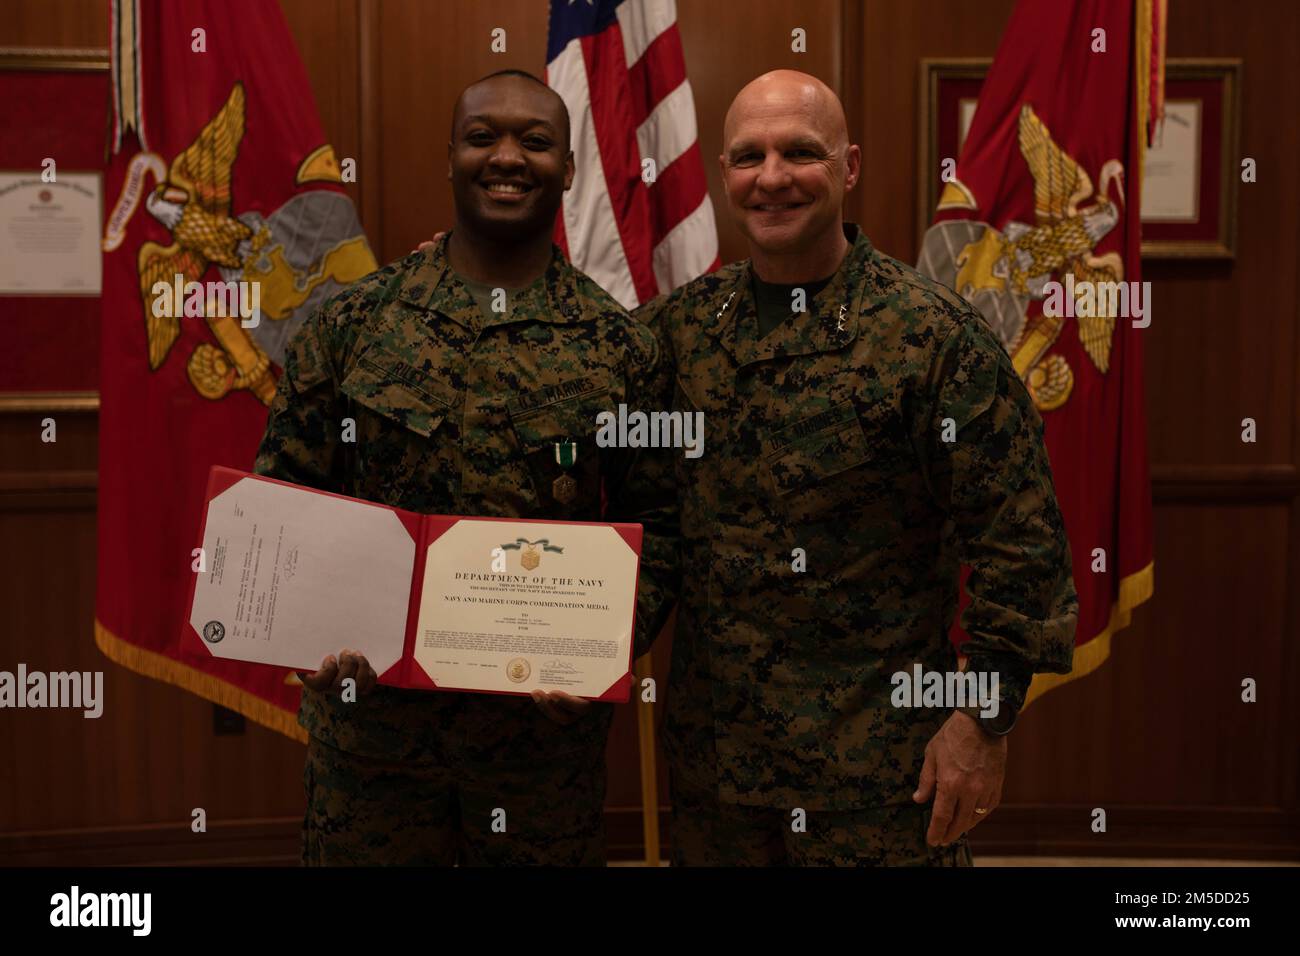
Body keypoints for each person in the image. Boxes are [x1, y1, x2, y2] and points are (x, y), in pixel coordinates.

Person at [636, 70, 1078, 866]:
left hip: (881, 779)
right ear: (724, 174)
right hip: (717, 779)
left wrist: (983, 723)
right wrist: (471, 277)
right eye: (747, 157)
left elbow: (1023, 550)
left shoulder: (932, 337)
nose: (771, 177)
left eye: (800, 152)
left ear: (850, 167)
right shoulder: (679, 333)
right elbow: (563, 384)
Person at [254, 69, 678, 865]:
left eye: (536, 140)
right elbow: (286, 497)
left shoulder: (624, 350)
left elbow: (661, 526)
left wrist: (605, 649)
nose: (508, 157)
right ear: (450, 157)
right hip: (371, 753)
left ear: (570, 168)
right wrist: (306, 631)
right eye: (484, 137)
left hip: (540, 763)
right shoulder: (352, 325)